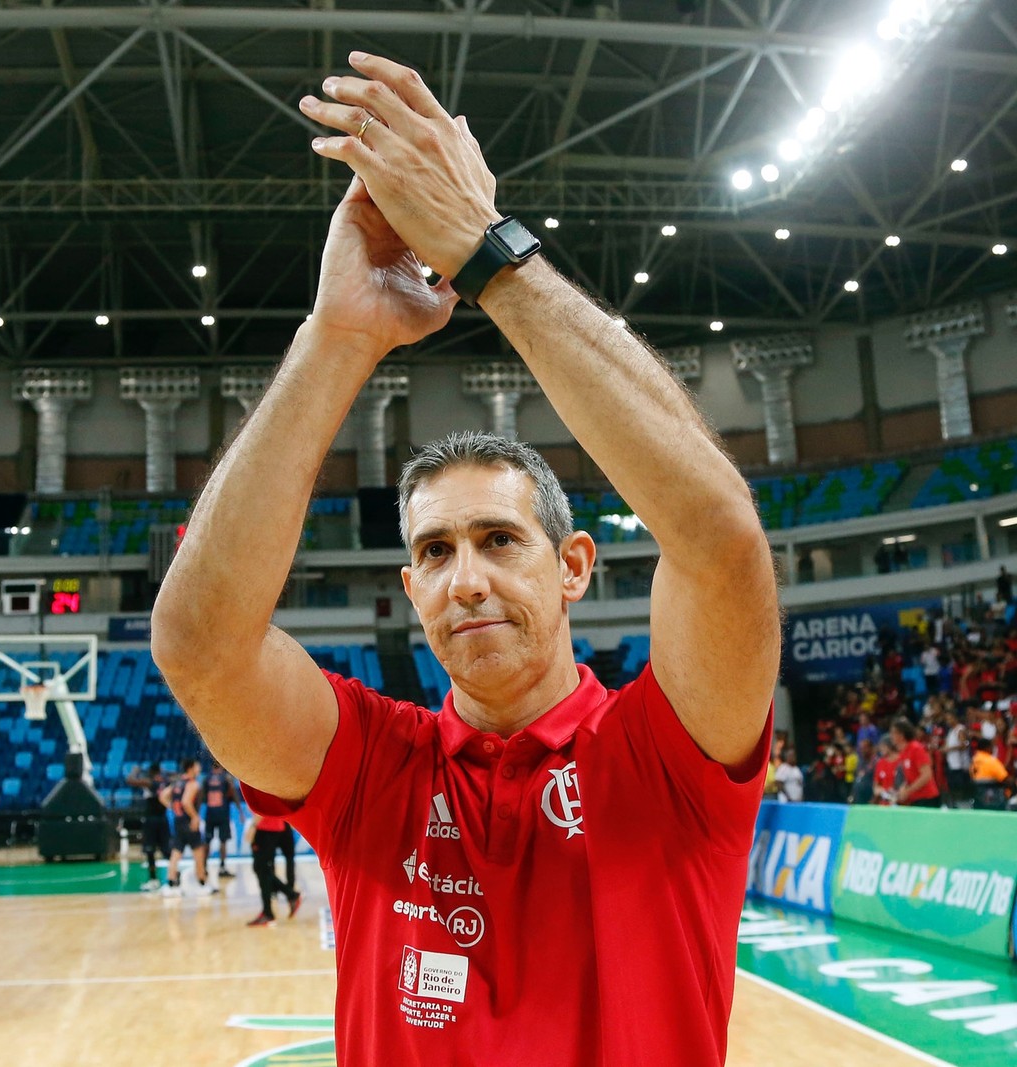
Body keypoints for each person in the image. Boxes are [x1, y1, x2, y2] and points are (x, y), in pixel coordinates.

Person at [150, 52, 779, 1066]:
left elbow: (719, 543)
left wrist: (489, 259)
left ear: (573, 565)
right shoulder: (369, 768)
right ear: (410, 589)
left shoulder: (668, 751)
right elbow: (199, 646)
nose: (466, 577)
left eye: (497, 538)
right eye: (434, 551)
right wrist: (336, 335)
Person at [160, 758, 218, 898]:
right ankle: (202, 884)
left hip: (178, 822)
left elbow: (163, 796)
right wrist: (195, 817)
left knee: (176, 852)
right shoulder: (193, 784)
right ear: (191, 768)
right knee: (198, 852)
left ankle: (170, 884)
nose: (199, 768)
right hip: (189, 822)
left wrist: (174, 808)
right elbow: (186, 802)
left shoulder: (177, 782)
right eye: (197, 766)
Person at [246, 811, 302, 928]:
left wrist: (253, 826)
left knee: (263, 869)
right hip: (271, 827)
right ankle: (290, 895)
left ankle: (269, 913)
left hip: (266, 827)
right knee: (261, 869)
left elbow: (264, 804)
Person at [127, 765, 172, 892]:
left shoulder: (149, 782)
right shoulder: (165, 782)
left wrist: (135, 770)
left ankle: (155, 880)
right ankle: (172, 879)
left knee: (152, 851)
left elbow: (129, 780)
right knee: (164, 851)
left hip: (152, 820)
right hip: (162, 820)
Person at [890, 717, 942, 808]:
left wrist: (908, 791)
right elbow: (910, 776)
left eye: (893, 733)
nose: (891, 736)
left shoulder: (916, 749)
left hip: (927, 798)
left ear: (901, 735)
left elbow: (927, 775)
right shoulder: (904, 752)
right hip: (916, 799)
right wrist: (903, 789)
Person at [203, 762, 239, 878]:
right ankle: (222, 867)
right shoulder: (226, 778)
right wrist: (241, 811)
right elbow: (233, 794)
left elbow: (201, 796)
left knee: (207, 841)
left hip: (210, 813)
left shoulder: (207, 778)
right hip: (223, 813)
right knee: (223, 841)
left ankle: (203, 867)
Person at [970, 738, 1010, 810]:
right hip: (994, 797)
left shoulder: (974, 760)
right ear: (987, 747)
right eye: (992, 746)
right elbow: (1005, 778)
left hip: (977, 797)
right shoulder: (991, 761)